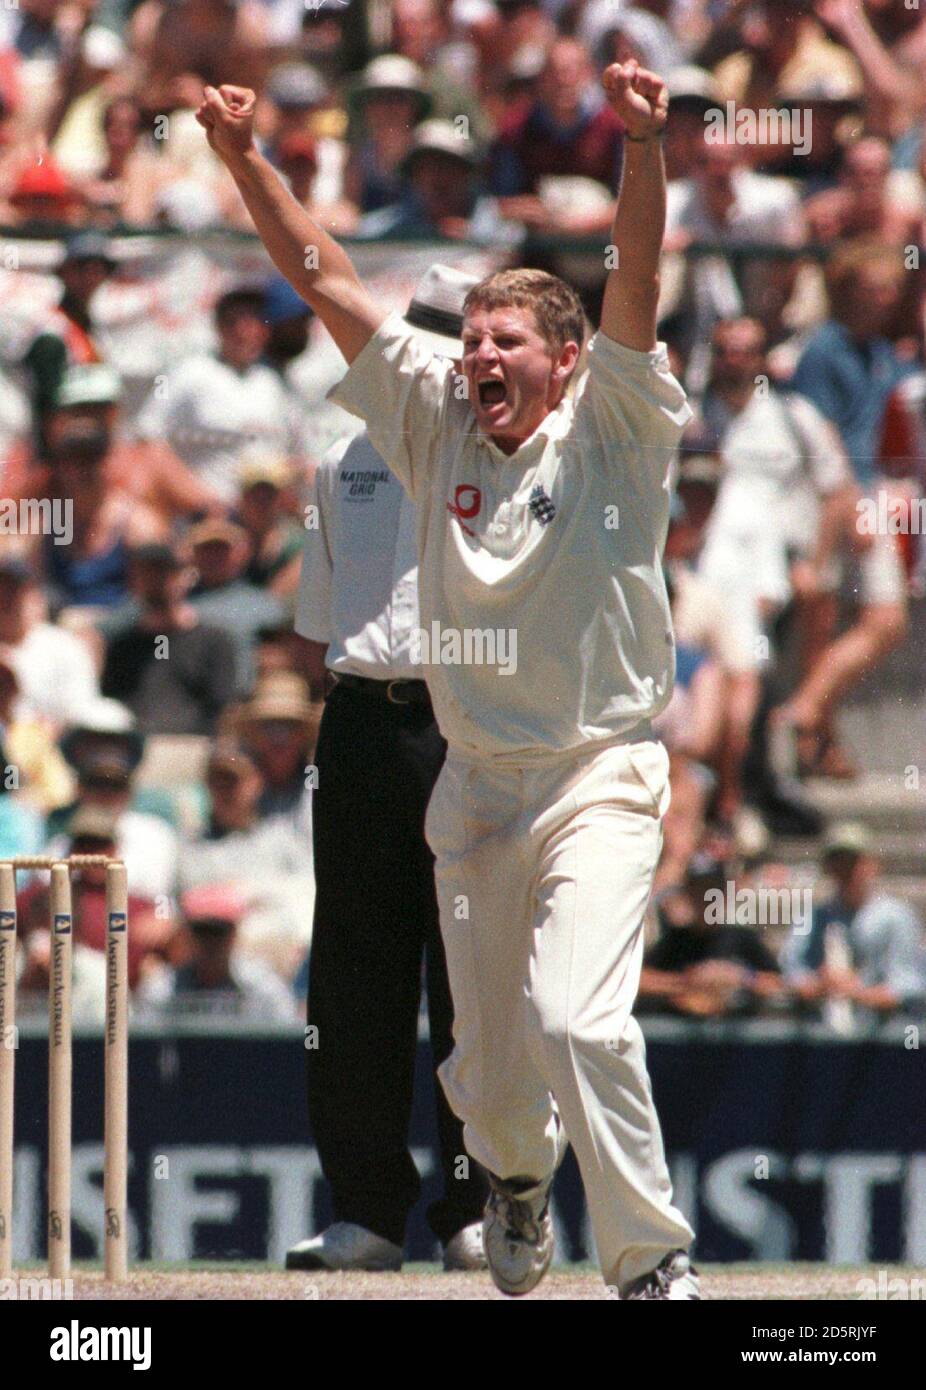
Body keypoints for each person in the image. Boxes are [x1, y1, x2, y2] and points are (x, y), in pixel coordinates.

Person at [197, 56, 699, 1300]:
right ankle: (515, 1188)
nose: (477, 353)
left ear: (567, 358)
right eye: (469, 335)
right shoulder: (431, 415)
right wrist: (242, 159)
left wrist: (641, 148)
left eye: (505, 338)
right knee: (486, 1080)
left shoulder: (617, 422)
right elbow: (320, 276)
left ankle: (647, 1262)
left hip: (595, 767)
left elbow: (632, 275)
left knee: (579, 1021)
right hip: (475, 787)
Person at [287, 265, 488, 1275]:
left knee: (474, 976)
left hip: (471, 723)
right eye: (430, 338)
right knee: (354, 975)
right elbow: (322, 626)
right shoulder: (338, 462)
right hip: (366, 719)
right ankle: (367, 1208)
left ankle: (473, 1206)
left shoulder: (506, 462)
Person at [782, 822, 926, 1025]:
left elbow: (907, 986)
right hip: (825, 1035)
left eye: (853, 862)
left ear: (871, 865)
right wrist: (820, 983)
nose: (846, 870)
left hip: (883, 1037)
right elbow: (792, 973)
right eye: (838, 862)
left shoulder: (895, 917)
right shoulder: (813, 918)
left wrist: (856, 991)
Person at [99, 542, 241, 735]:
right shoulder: (123, 646)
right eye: (145, 573)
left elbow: (222, 706)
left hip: (192, 745)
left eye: (164, 572)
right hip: (135, 746)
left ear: (185, 577)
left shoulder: (213, 641)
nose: (155, 581)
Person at [639, 854, 783, 1019]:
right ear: (688, 894)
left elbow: (778, 984)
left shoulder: (742, 938)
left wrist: (743, 977)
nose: (705, 898)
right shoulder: (676, 940)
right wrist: (687, 981)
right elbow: (641, 980)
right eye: (699, 890)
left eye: (711, 891)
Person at [135, 883, 298, 1022]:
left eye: (219, 932)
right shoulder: (163, 989)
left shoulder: (263, 987)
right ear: (186, 934)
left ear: (234, 933)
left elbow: (287, 1039)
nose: (211, 942)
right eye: (202, 931)